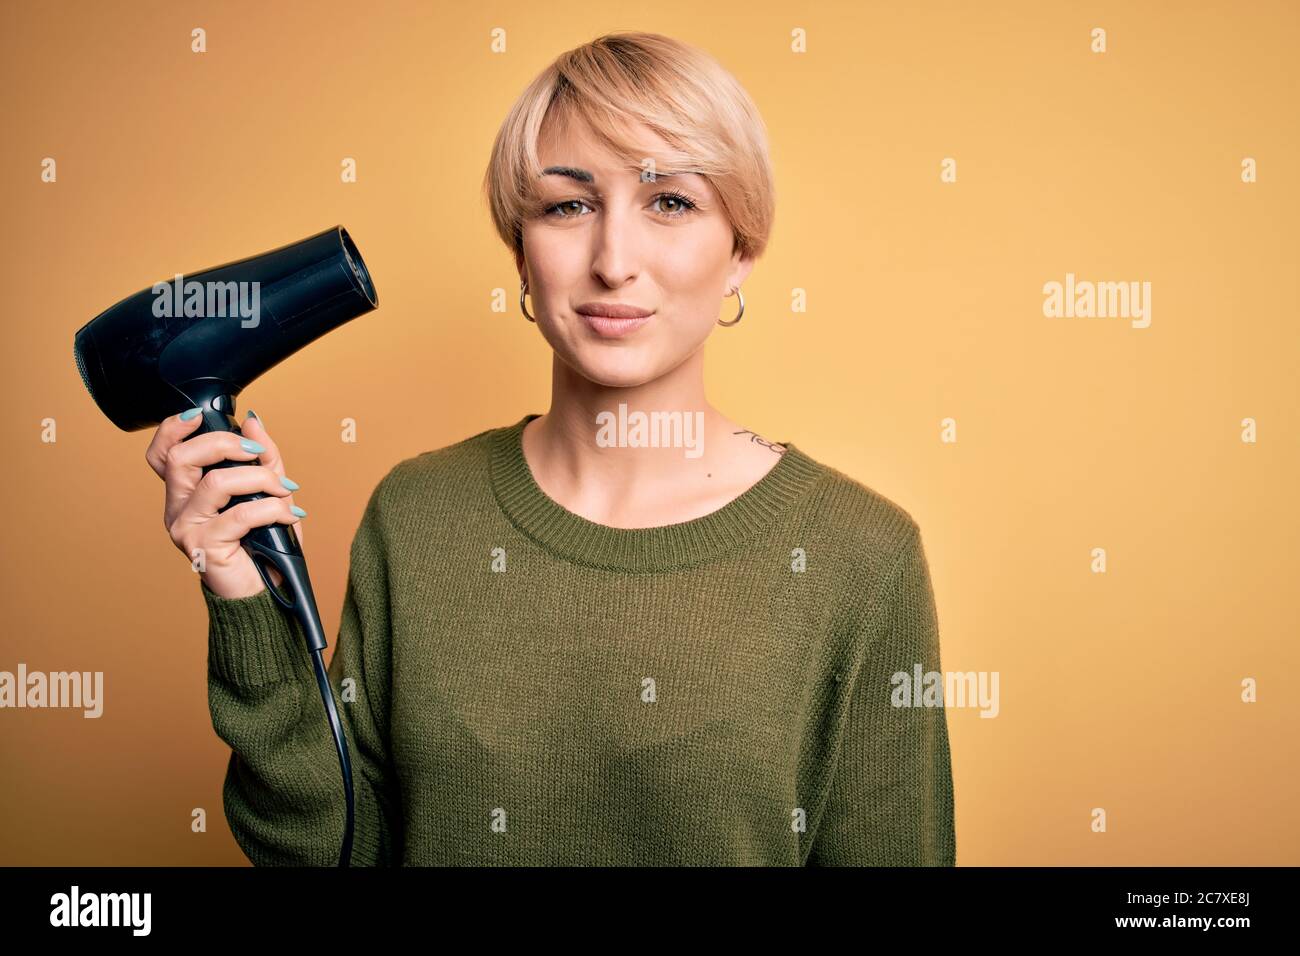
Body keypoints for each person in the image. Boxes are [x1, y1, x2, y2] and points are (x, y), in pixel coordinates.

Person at [146, 31, 955, 866]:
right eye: (568, 205)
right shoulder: (418, 517)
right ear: (521, 253)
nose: (613, 262)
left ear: (741, 251)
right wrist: (245, 596)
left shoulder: (861, 556)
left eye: (670, 202)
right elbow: (330, 851)